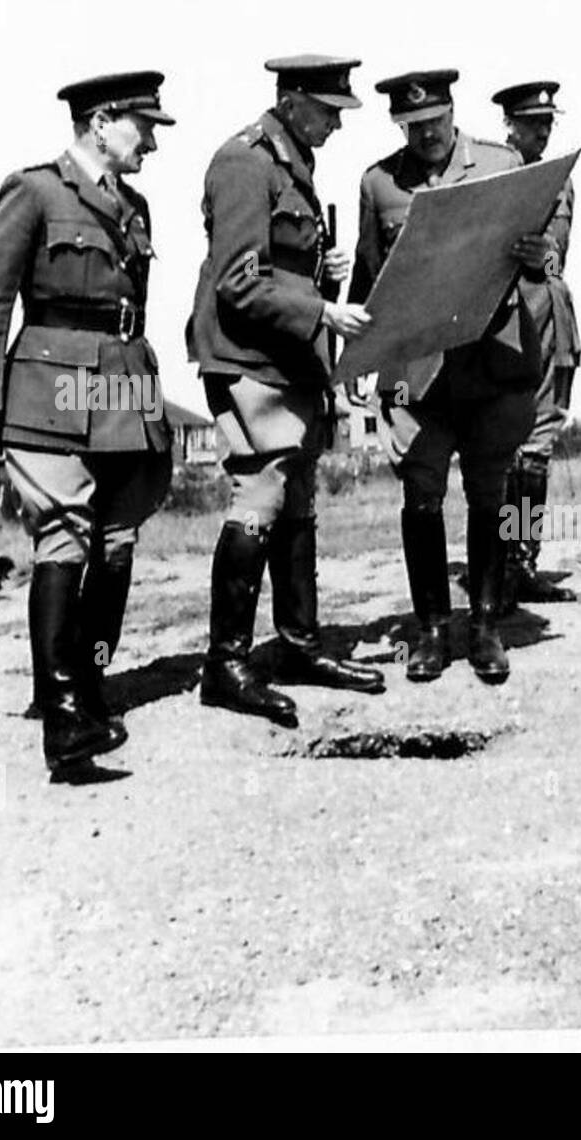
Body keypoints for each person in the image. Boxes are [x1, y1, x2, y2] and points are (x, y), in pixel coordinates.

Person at [0, 71, 175, 777]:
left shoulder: (133, 204)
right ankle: (63, 721)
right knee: (64, 534)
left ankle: (91, 686)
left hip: (122, 385)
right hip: (50, 387)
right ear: (101, 121)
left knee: (115, 539)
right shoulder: (35, 191)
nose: (151, 142)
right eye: (142, 126)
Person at [188, 55, 386, 727]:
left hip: (289, 357)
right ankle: (227, 664)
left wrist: (318, 275)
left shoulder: (291, 157)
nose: (337, 122)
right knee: (262, 492)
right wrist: (325, 312)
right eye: (329, 109)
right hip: (251, 358)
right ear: (293, 99)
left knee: (296, 493)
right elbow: (237, 284)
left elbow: (277, 265)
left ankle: (299, 644)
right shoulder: (246, 162)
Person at [350, 69, 545, 684]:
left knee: (490, 492)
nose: (426, 135)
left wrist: (543, 258)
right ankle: (431, 630)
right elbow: (371, 274)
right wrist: (359, 357)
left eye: (434, 122)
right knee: (422, 493)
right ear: (398, 125)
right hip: (419, 372)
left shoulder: (500, 163)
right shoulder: (380, 183)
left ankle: (486, 627)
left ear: (452, 112)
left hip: (492, 362)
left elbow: (542, 254)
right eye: (412, 127)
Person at [491, 81, 581, 608]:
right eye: (531, 123)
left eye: (547, 123)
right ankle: (499, 564)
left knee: (539, 443)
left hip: (548, 319)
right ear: (510, 125)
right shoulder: (491, 174)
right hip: (499, 323)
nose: (541, 132)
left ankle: (523, 562)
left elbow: (556, 261)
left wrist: (543, 257)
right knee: (503, 445)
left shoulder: (562, 180)